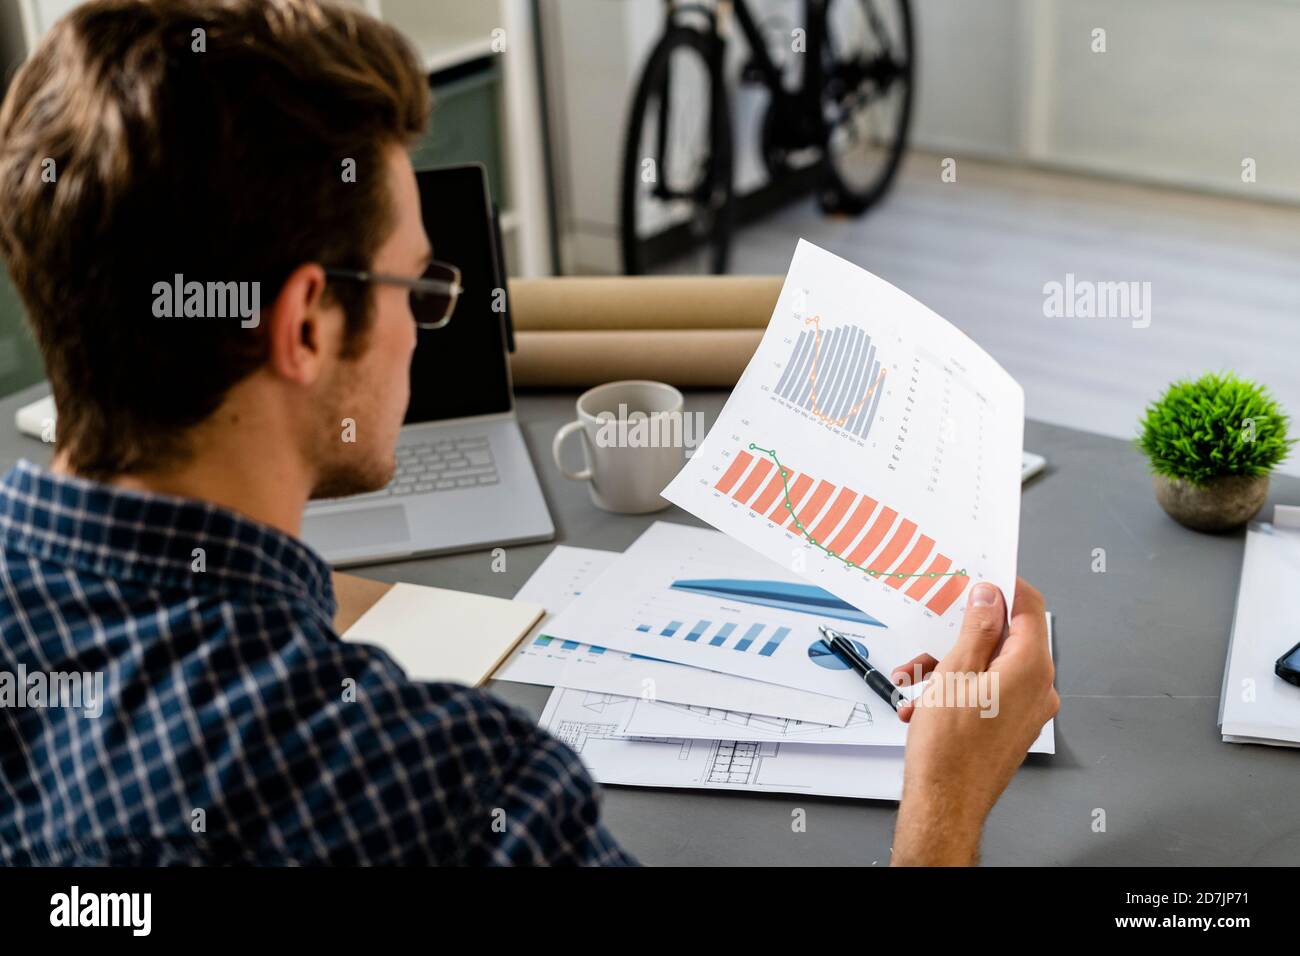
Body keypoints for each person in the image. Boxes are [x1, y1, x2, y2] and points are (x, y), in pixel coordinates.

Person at [0, 0, 1057, 866]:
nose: (426, 327)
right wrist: (943, 806)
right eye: (420, 288)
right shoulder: (445, 798)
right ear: (309, 326)